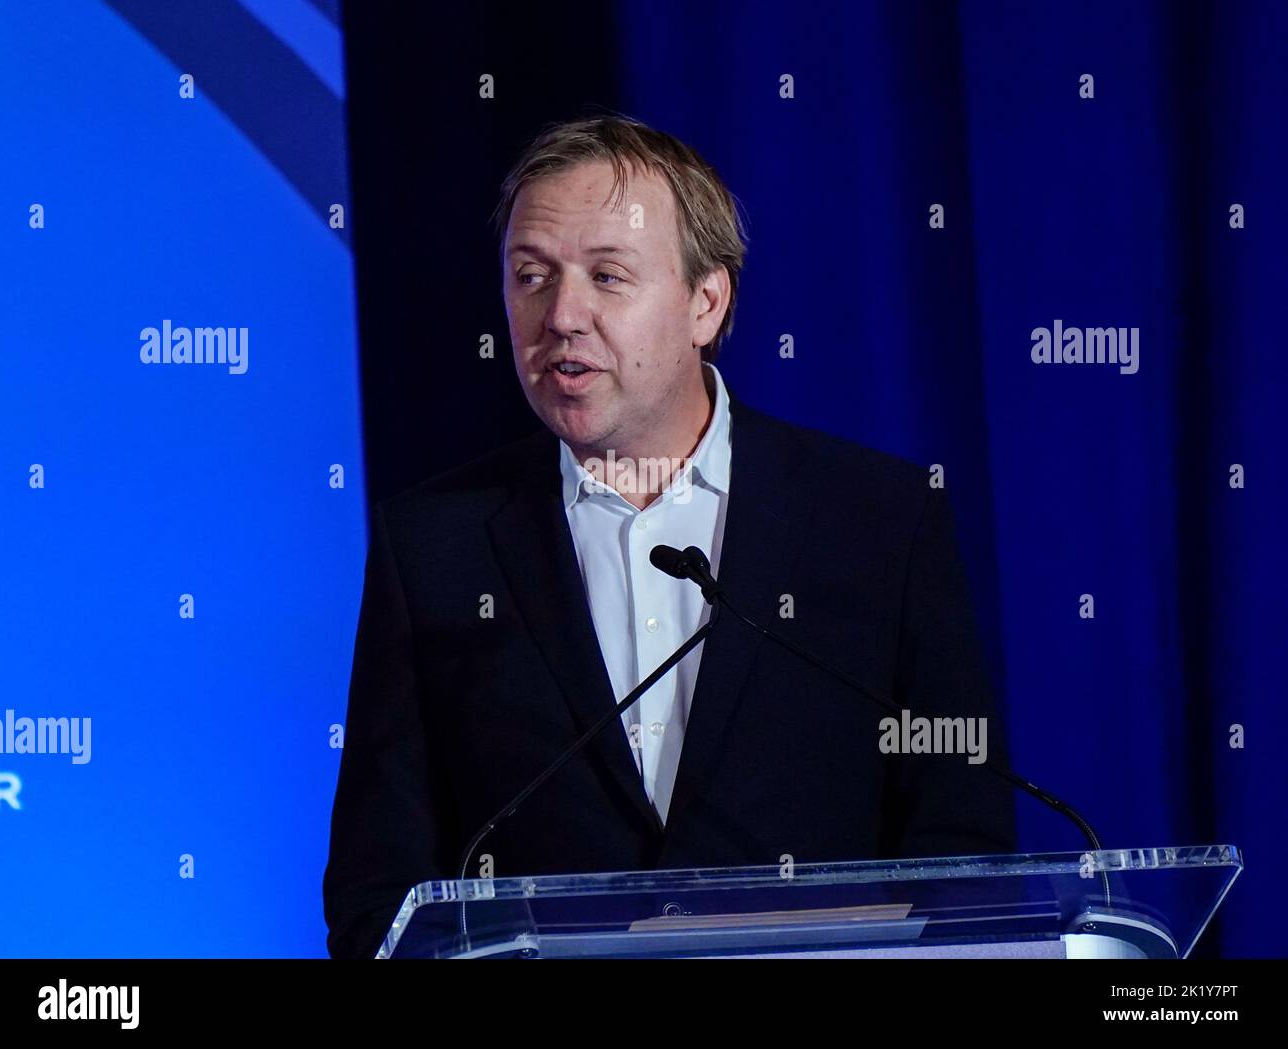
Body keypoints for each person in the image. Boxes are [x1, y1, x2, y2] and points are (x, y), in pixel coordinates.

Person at [323, 116, 1015, 960]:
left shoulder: (878, 523)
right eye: (531, 276)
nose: (562, 315)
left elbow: (960, 846)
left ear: (705, 302)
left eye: (607, 276)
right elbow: (376, 893)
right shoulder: (433, 545)